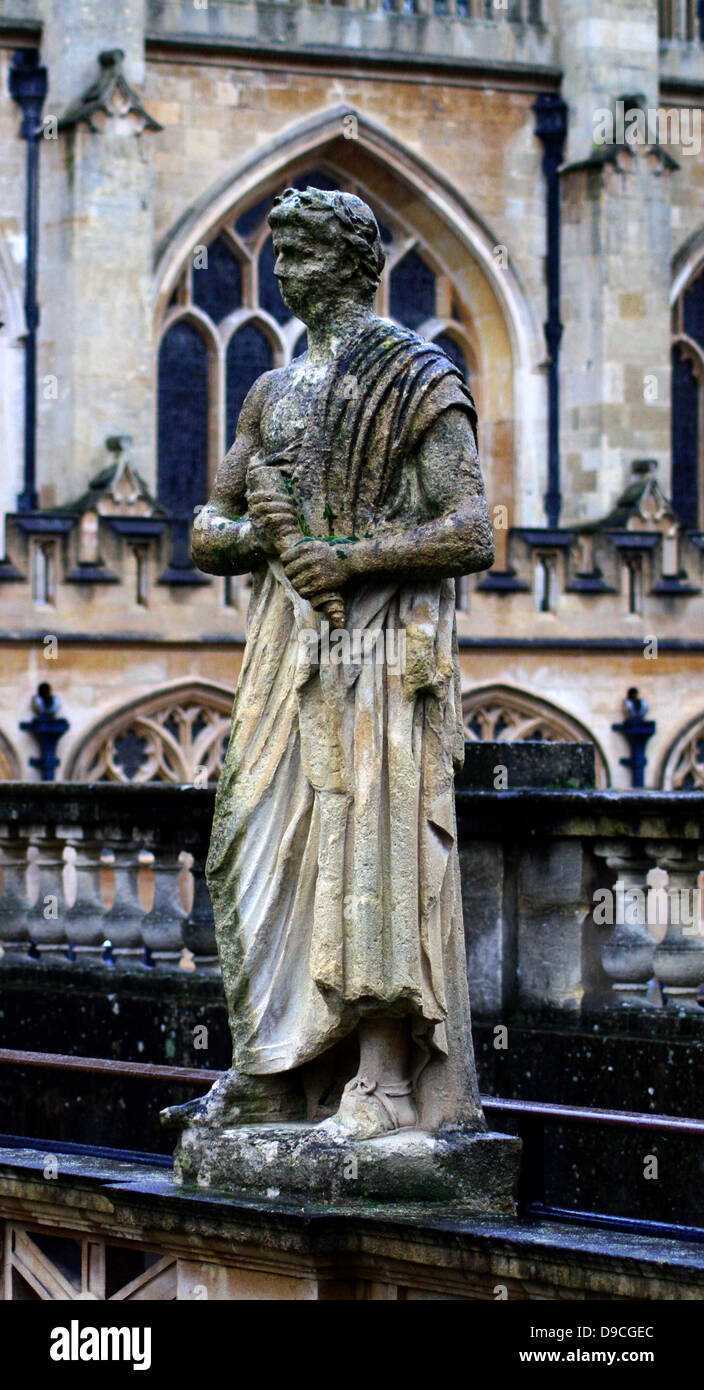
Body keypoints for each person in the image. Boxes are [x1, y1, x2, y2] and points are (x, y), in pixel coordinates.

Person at [162, 186, 495, 1141]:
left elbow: (470, 526)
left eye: (303, 255)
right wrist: (266, 539)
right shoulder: (269, 390)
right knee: (247, 839)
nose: (284, 272)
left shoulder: (415, 375)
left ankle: (383, 1082)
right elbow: (209, 530)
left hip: (378, 648)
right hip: (283, 648)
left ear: (353, 264)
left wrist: (348, 557)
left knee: (372, 845)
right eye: (280, 256)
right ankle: (273, 1063)